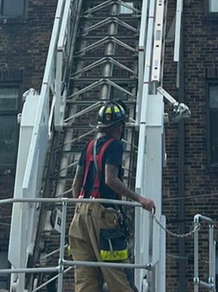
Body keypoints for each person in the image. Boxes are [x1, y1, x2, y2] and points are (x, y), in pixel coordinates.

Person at [68, 101, 156, 292]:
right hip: (103, 218)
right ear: (120, 127)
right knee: (118, 278)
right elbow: (110, 179)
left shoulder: (89, 146)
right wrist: (140, 199)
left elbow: (75, 185)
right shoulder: (115, 145)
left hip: (78, 218)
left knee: (85, 282)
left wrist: (80, 209)